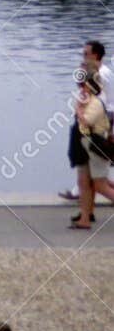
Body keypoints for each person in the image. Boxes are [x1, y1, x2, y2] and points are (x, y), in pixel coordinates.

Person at [60, 41, 112, 203]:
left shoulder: (99, 74)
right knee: (96, 163)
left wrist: (80, 109)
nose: (83, 57)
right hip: (103, 114)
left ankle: (82, 193)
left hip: (101, 116)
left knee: (93, 160)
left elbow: (93, 94)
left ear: (95, 55)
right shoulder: (102, 72)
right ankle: (82, 194)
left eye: (85, 54)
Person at [70, 72, 114, 229]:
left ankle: (86, 217)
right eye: (79, 85)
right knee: (86, 182)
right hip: (86, 147)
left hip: (95, 146)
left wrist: (79, 109)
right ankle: (85, 218)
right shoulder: (87, 101)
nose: (80, 89)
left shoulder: (95, 102)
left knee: (100, 185)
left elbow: (87, 122)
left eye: (83, 85)